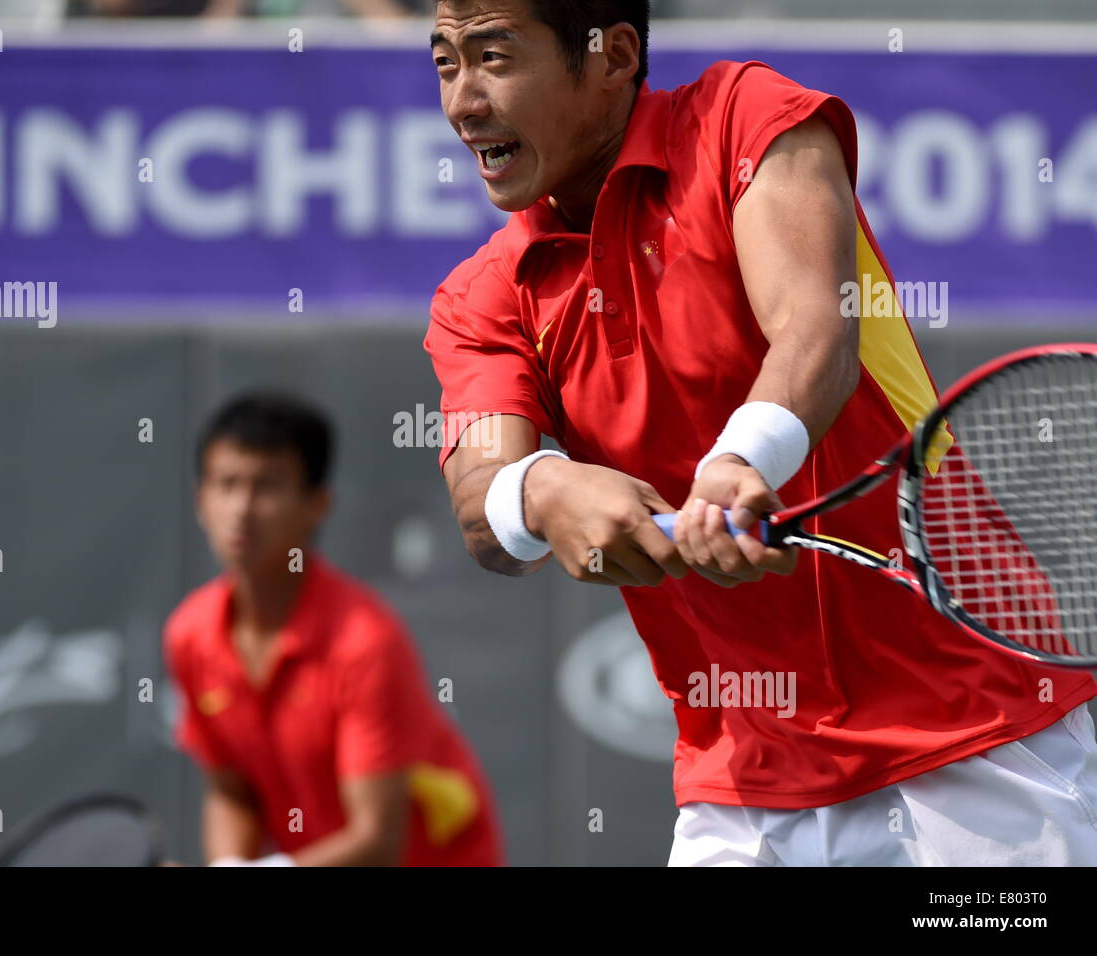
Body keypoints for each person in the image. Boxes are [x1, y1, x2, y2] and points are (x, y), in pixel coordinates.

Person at [424, 0, 1097, 866]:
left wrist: (741, 462)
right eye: (445, 63)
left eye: (494, 57)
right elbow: (484, 506)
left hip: (978, 739)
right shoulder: (482, 297)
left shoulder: (747, 117)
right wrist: (545, 489)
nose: (463, 101)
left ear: (613, 55)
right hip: (742, 782)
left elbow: (816, 331)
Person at [164, 392, 503, 866]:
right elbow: (231, 789)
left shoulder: (365, 642)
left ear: (317, 504)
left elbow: (378, 841)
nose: (241, 507)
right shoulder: (189, 634)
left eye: (267, 486)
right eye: (226, 484)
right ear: (201, 501)